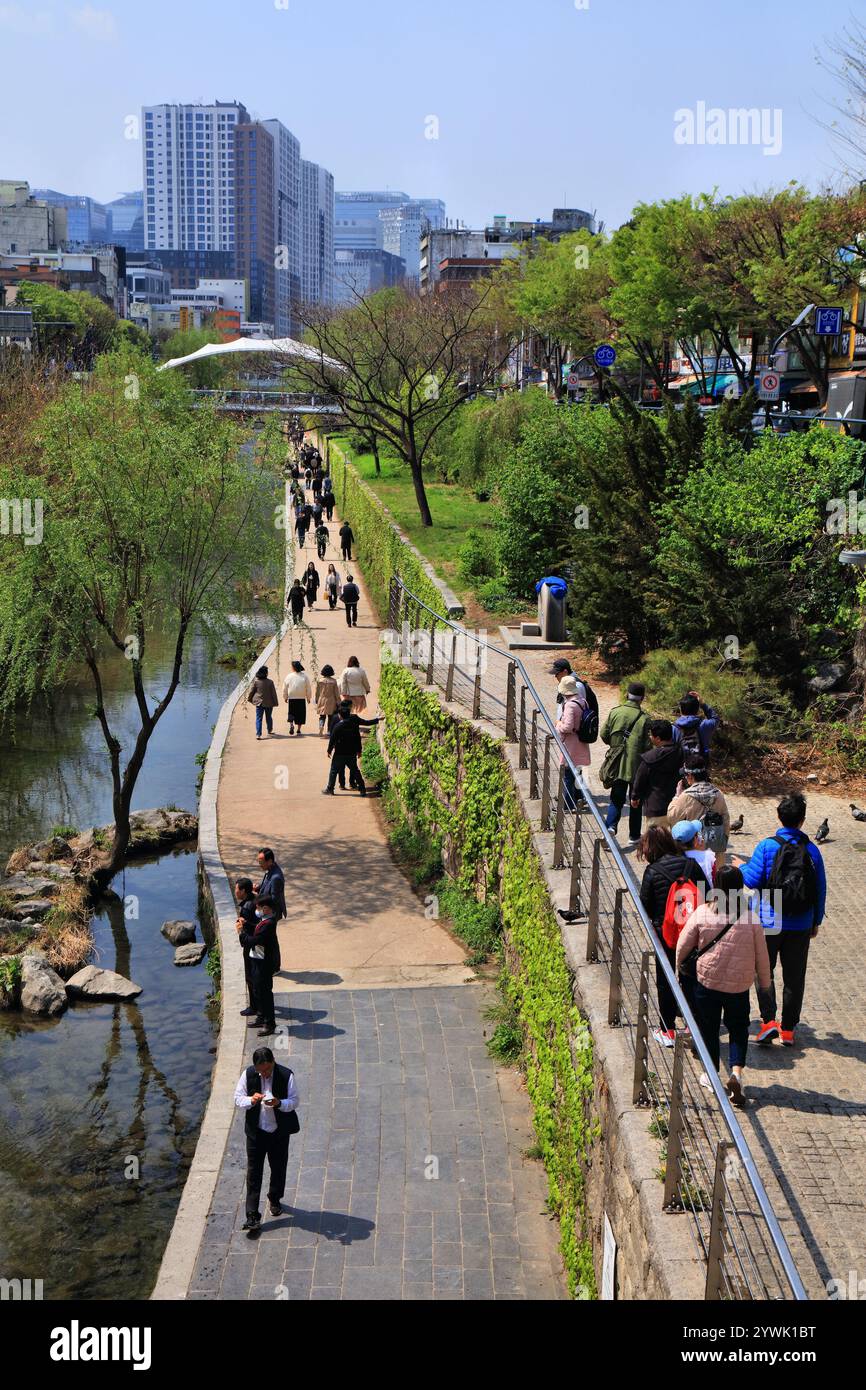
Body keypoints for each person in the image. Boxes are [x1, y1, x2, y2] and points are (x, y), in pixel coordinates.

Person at [732, 792, 826, 1047]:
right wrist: (815, 921)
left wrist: (741, 865)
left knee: (764, 971)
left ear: (778, 817)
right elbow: (820, 889)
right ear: (802, 820)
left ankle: (768, 1022)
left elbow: (752, 880)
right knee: (795, 977)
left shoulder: (767, 846)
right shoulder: (812, 851)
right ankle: (788, 1030)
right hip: (801, 923)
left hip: (768, 921)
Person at [676, 866, 771, 1105]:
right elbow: (762, 956)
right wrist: (765, 983)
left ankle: (711, 1074)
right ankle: (736, 1073)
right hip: (738, 986)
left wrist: (678, 969)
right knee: (738, 1028)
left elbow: (683, 945)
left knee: (709, 1028)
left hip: (707, 982)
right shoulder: (751, 918)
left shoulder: (703, 913)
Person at [638, 824, 709, 1047]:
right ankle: (692, 1026)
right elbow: (707, 895)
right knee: (691, 979)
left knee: (665, 980)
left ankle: (667, 1030)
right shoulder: (691, 865)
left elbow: (645, 906)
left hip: (665, 933)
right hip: (693, 930)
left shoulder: (652, 871)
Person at [235, 1045, 300, 1233]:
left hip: (279, 1132)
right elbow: (238, 1098)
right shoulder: (248, 1075)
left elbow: (294, 1101)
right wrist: (251, 1100)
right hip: (256, 1133)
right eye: (261, 1071)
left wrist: (279, 1103)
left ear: (273, 1062)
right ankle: (252, 1215)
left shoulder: (286, 1075)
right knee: (254, 1173)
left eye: (267, 1069)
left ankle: (275, 1198)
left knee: (278, 1168)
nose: (264, 1074)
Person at [599, 681, 651, 843]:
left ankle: (610, 827)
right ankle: (634, 835)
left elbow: (604, 734)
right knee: (636, 801)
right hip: (637, 767)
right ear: (642, 698)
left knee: (616, 798)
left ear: (627, 695)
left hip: (616, 763)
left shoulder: (615, 712)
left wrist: (616, 746)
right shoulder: (644, 719)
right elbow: (648, 747)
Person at [666, 763, 731, 867]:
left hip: (694, 851)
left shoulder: (686, 796)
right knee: (715, 874)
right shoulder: (718, 793)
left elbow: (672, 816)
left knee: (699, 876)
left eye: (685, 775)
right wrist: (722, 843)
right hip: (715, 848)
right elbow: (726, 820)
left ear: (690, 776)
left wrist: (677, 796)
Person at [236, 893, 279, 1036]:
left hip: (263, 963)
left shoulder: (269, 924)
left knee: (265, 993)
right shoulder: (264, 921)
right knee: (257, 990)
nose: (257, 910)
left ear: (265, 908)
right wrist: (246, 924)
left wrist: (241, 933)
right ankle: (261, 1016)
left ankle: (269, 1023)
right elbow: (257, 928)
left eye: (258, 908)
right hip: (257, 960)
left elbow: (255, 940)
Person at [630, 719, 684, 830]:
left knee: (655, 840)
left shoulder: (649, 758)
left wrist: (635, 797)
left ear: (658, 738)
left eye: (651, 735)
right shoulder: (680, 753)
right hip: (677, 807)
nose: (650, 737)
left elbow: (640, 779)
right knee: (675, 840)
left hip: (656, 808)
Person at [323, 699, 381, 796]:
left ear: (340, 715)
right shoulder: (354, 725)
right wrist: (359, 750)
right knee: (355, 771)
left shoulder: (338, 726)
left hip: (339, 753)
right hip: (351, 752)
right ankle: (362, 789)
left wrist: (329, 750)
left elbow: (332, 739)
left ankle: (330, 788)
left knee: (334, 770)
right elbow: (358, 738)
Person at [554, 674, 590, 811]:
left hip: (571, 744)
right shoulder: (583, 701)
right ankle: (580, 798)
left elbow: (568, 727)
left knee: (568, 774)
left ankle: (568, 805)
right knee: (578, 773)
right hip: (581, 742)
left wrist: (558, 724)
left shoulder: (570, 705)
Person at [673, 692, 719, 769]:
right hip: (701, 767)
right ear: (698, 709)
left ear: (681, 710)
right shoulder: (704, 725)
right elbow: (715, 718)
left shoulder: (673, 728)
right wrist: (703, 704)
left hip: (681, 768)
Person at [235, 877, 258, 1016]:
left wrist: (240, 929)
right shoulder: (254, 900)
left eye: (237, 889)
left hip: (250, 944)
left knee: (250, 976)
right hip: (257, 944)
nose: (235, 891)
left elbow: (249, 929)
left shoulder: (247, 907)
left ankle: (254, 1006)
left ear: (243, 891)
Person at [670, 819, 716, 885]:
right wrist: (703, 851)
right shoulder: (709, 856)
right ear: (695, 840)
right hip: (703, 890)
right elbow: (714, 879)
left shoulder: (671, 860)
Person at [247, 665, 279, 740]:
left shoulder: (256, 682)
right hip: (269, 703)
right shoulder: (270, 682)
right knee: (269, 717)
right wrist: (276, 702)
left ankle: (258, 734)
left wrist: (249, 699)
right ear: (266, 673)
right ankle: (269, 730)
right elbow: (273, 693)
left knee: (259, 718)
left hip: (259, 703)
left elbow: (252, 692)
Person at [255, 847, 287, 921]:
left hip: (270, 914)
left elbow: (274, 899)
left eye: (261, 862)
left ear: (269, 861)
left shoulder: (276, 877)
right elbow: (269, 885)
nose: (259, 865)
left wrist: (258, 898)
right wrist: (259, 887)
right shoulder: (271, 868)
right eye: (259, 862)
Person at [283, 659, 312, 736]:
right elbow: (308, 688)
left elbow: (285, 688)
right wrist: (308, 698)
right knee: (300, 714)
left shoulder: (289, 676)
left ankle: (291, 725)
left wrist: (285, 697)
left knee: (291, 712)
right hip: (301, 698)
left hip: (292, 697)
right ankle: (298, 729)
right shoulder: (304, 676)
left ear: (293, 667)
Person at [315, 664, 342, 736]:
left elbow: (317, 692)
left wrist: (317, 700)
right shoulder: (334, 681)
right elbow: (336, 693)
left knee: (322, 716)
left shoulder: (319, 681)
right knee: (330, 717)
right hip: (331, 701)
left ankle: (321, 725)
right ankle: (329, 731)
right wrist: (339, 702)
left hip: (322, 699)